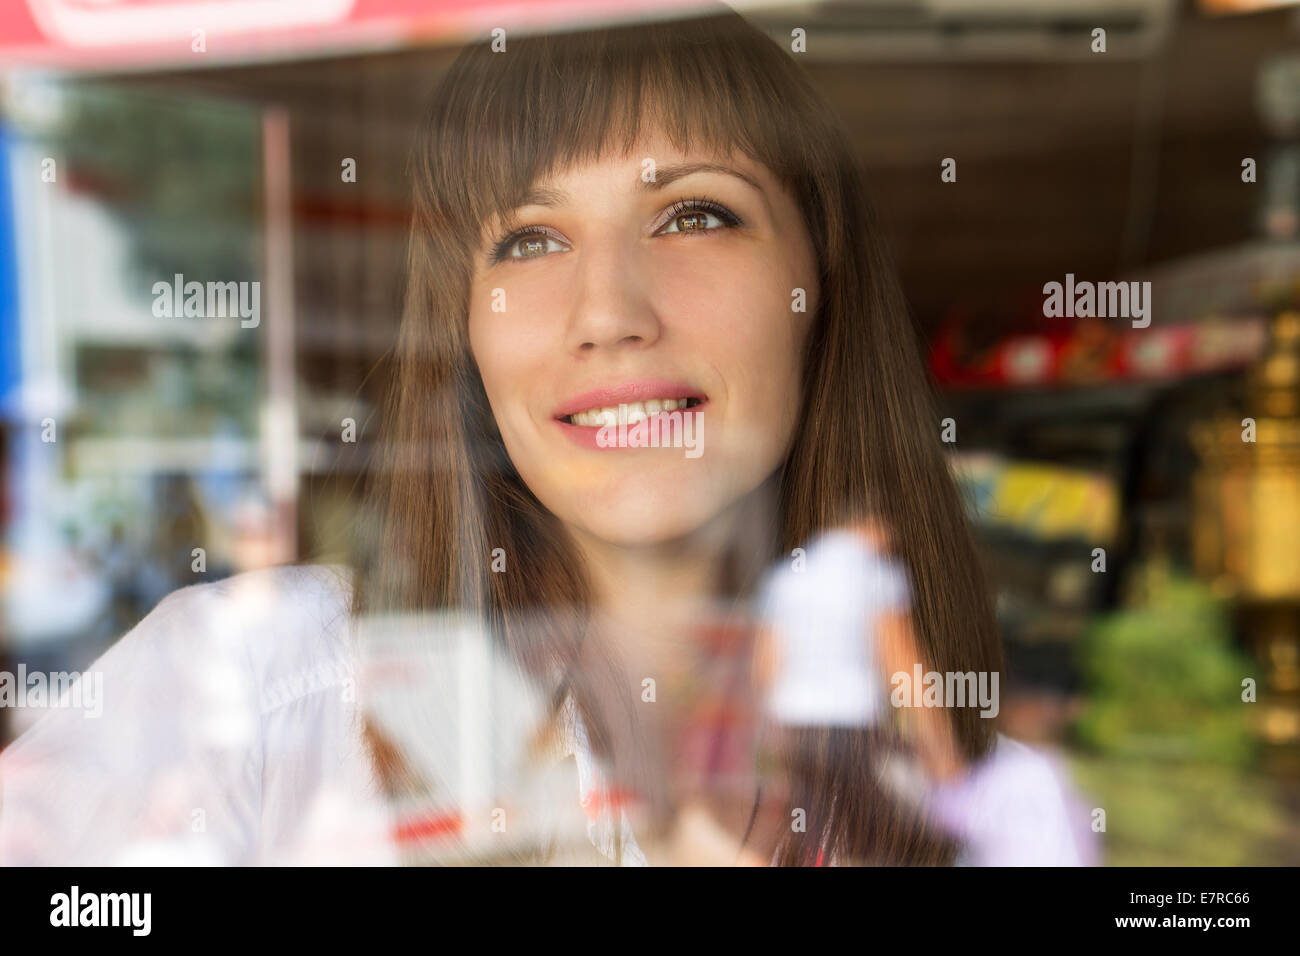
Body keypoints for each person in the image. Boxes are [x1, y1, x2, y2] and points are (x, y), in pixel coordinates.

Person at [0, 6, 1083, 866]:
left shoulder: (998, 805)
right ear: (465, 333)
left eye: (694, 212)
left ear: (819, 285)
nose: (607, 309)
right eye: (529, 237)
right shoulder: (245, 686)